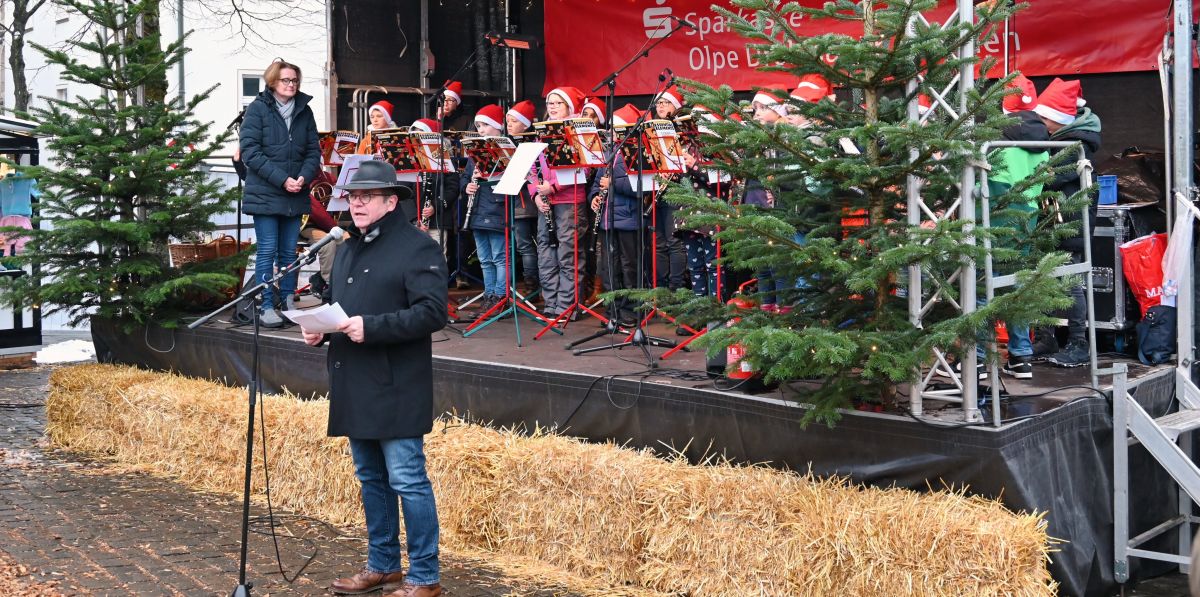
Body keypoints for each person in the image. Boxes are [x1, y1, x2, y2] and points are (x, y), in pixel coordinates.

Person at [302, 159, 447, 597]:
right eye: (353, 196)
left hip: (396, 383)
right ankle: (383, 565)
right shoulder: (347, 245)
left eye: (367, 197)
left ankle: (425, 576)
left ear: (390, 201)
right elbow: (343, 307)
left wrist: (374, 327)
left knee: (407, 479)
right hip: (355, 381)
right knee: (371, 479)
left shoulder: (418, 247)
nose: (357, 203)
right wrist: (320, 331)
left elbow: (432, 313)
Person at [239, 59, 321, 328]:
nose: (291, 85)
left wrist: (302, 177)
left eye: (295, 81)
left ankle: (288, 301)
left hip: (294, 193)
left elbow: (313, 151)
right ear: (273, 81)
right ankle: (265, 305)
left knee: (289, 253)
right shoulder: (257, 109)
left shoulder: (304, 112)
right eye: (286, 80)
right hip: (266, 193)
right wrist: (282, 179)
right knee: (267, 251)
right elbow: (250, 152)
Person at [1033, 77, 1101, 368]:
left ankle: (1078, 342)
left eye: (1043, 117)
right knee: (1047, 279)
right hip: (1056, 222)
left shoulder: (1072, 147)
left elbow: (1049, 179)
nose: (1039, 122)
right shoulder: (1063, 143)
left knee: (1071, 283)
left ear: (1058, 120)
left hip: (1070, 224)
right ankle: (1047, 337)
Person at [591, 104, 650, 326]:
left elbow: (640, 187)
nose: (612, 131)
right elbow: (597, 182)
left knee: (629, 266)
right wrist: (595, 196)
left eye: (617, 127)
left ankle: (631, 311)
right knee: (608, 266)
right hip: (608, 218)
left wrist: (612, 184)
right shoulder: (609, 151)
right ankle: (612, 308)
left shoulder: (637, 150)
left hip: (629, 219)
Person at [534, 86, 589, 320]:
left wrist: (554, 186)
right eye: (550, 103)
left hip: (569, 200)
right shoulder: (541, 134)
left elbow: (583, 168)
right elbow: (532, 168)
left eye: (558, 103)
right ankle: (551, 302)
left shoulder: (578, 132)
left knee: (568, 254)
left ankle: (567, 306)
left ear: (569, 107)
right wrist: (535, 194)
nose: (552, 106)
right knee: (546, 253)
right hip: (545, 201)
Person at [462, 105, 509, 311]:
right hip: (478, 211)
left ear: (498, 126)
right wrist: (468, 186)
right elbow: (465, 177)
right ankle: (489, 294)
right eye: (478, 125)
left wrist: (489, 177)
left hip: (497, 208)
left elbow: (512, 179)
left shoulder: (505, 149)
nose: (480, 129)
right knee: (484, 259)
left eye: (485, 125)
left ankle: (500, 296)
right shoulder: (475, 153)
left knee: (499, 257)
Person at [650, 85, 687, 291]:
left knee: (674, 242)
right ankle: (661, 288)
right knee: (659, 243)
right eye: (659, 103)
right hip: (656, 191)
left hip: (677, 190)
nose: (661, 106)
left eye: (666, 102)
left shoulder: (682, 129)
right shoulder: (651, 128)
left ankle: (676, 289)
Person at [506, 100, 540, 296]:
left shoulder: (529, 145)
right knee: (523, 246)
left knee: (527, 247)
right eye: (508, 121)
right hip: (515, 203)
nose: (509, 124)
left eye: (514, 121)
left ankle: (531, 287)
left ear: (526, 124)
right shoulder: (507, 143)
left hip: (526, 204)